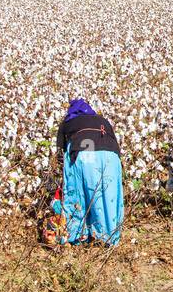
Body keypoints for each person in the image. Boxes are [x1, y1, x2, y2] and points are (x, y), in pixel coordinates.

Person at [46, 98, 124, 246]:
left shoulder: (68, 123)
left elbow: (62, 156)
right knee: (108, 195)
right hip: (112, 158)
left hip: (85, 155)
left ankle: (76, 233)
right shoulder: (103, 120)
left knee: (80, 193)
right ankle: (109, 237)